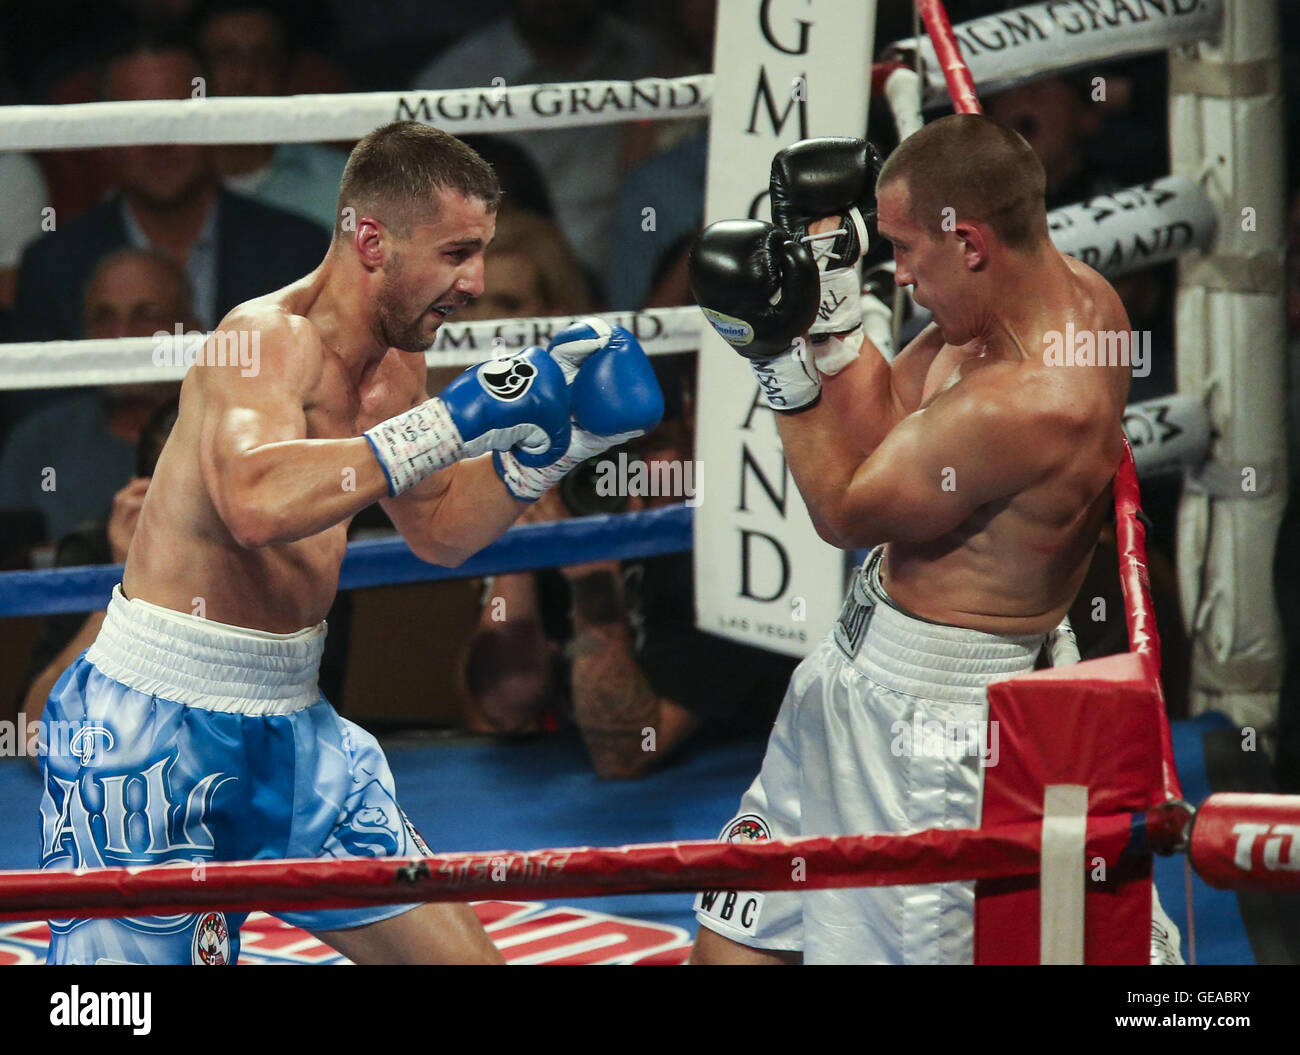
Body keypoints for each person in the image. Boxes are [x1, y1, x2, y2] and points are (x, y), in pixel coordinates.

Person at [36, 120, 662, 965]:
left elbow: (439, 531)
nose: (473, 282)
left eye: (481, 252)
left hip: (292, 722)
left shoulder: (397, 364)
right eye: (455, 253)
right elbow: (254, 501)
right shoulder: (261, 341)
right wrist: (451, 421)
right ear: (370, 239)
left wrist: (558, 446)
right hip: (152, 723)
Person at [687, 118, 1182, 964]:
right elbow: (884, 422)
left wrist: (775, 358)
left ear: (973, 242)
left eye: (909, 251)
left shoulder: (1030, 401)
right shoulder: (1047, 303)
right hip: (852, 672)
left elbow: (845, 508)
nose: (904, 278)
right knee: (731, 943)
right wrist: (831, 298)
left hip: (934, 731)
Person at [461, 358, 797, 776]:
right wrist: (523, 542)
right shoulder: (569, 511)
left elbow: (627, 751)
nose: (624, 474)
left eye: (652, 448)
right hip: (570, 813)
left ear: (699, 438)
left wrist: (592, 586)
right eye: (604, 454)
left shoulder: (739, 555)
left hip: (713, 807)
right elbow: (507, 710)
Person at [10, 31, 329, 342]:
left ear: (214, 119)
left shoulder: (298, 252)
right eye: (137, 121)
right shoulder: (51, 268)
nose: (160, 142)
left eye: (178, 117)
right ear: (104, 138)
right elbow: (39, 395)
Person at [0, 247, 192, 541]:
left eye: (146, 315)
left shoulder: (223, 433)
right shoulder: (38, 442)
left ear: (192, 329)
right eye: (104, 317)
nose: (122, 334)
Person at [195, 0, 349, 233]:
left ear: (287, 73)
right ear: (195, 72)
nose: (245, 77)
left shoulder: (345, 185)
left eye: (264, 59)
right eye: (226, 58)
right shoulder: (166, 178)